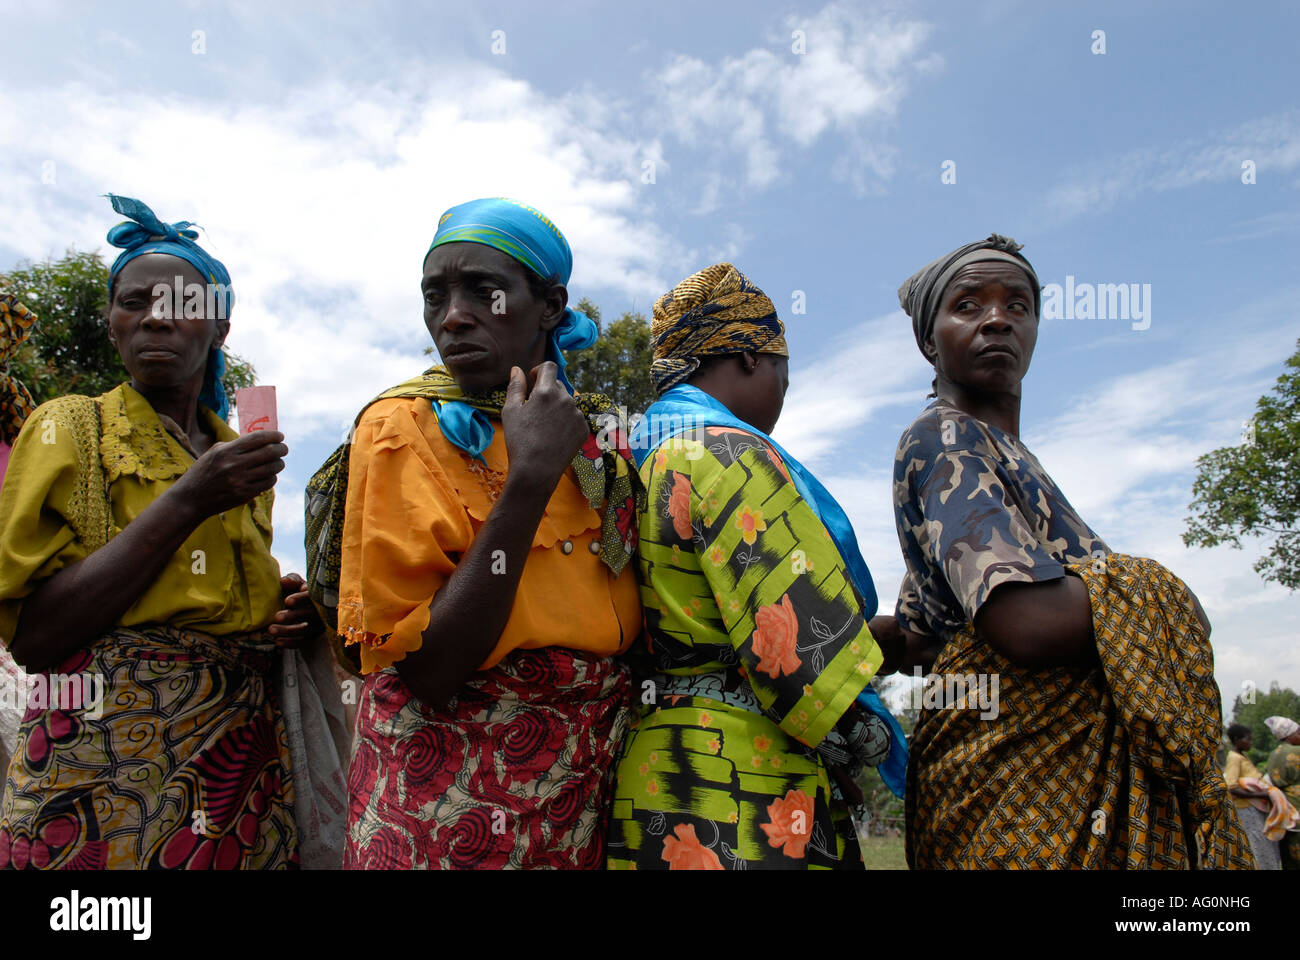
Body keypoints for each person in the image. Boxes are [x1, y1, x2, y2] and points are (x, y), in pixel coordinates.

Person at [887, 233, 1253, 869]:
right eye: (967, 305)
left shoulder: (1005, 456)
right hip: (1019, 797)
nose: (997, 318)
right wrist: (1162, 593)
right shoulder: (945, 437)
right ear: (929, 339)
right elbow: (1025, 623)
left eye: (1018, 305)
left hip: (1012, 785)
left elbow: (923, 640)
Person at [0, 195, 319, 870]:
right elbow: (36, 636)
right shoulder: (70, 428)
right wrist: (190, 498)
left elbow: (214, 606)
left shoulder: (243, 456)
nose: (154, 317)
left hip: (238, 763)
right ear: (113, 325)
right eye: (133, 301)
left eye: (180, 302)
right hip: (98, 758)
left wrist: (283, 615)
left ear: (220, 326)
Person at [337, 197, 643, 870]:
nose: (452, 316)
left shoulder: (597, 446)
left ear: (551, 306)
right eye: (434, 295)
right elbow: (430, 669)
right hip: (440, 791)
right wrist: (529, 478)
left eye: (485, 291)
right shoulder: (401, 427)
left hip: (579, 783)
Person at [605, 263, 907, 870]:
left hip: (653, 771)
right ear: (749, 357)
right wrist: (905, 651)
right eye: (782, 372)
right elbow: (801, 657)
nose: (781, 393)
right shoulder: (723, 452)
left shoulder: (628, 458)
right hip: (744, 783)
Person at [1223, 723, 1281, 869]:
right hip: (1247, 810)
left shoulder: (1242, 757)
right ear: (1237, 739)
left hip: (1255, 809)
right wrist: (1263, 793)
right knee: (1259, 845)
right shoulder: (1234, 758)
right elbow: (1232, 787)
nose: (1250, 743)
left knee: (1266, 845)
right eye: (1248, 739)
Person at [1264, 715, 1300, 869]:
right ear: (1288, 735)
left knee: (1288, 858)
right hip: (1297, 806)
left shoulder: (1273, 754)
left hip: (1284, 811)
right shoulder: (1297, 751)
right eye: (1298, 733)